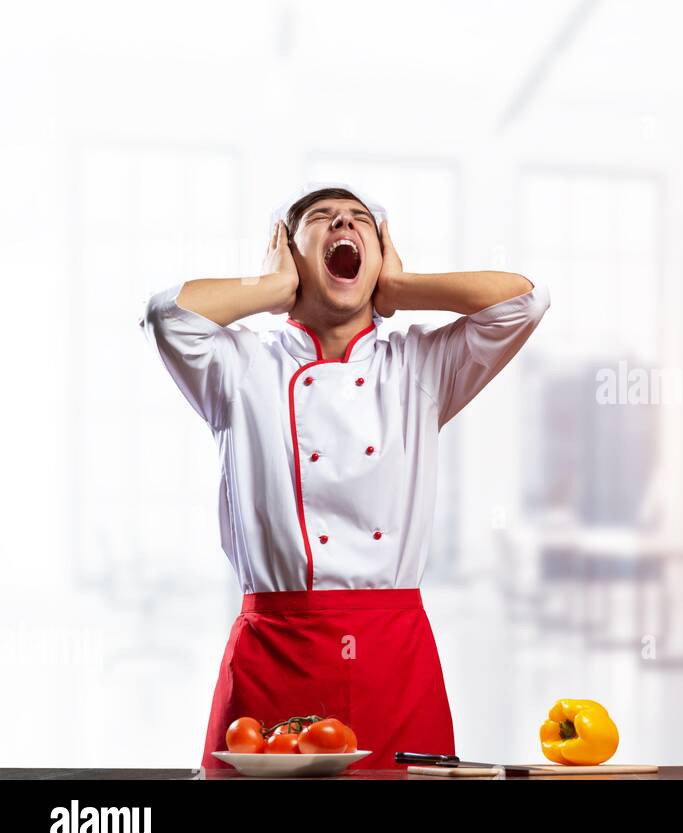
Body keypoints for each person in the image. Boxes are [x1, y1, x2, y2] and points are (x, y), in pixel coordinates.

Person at [138, 185, 550, 769]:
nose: (343, 225)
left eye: (361, 221)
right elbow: (167, 315)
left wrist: (402, 290)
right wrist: (271, 290)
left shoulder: (419, 366)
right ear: (287, 249)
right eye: (321, 219)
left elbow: (524, 302)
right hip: (275, 649)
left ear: (381, 257)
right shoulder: (240, 367)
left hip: (393, 657)